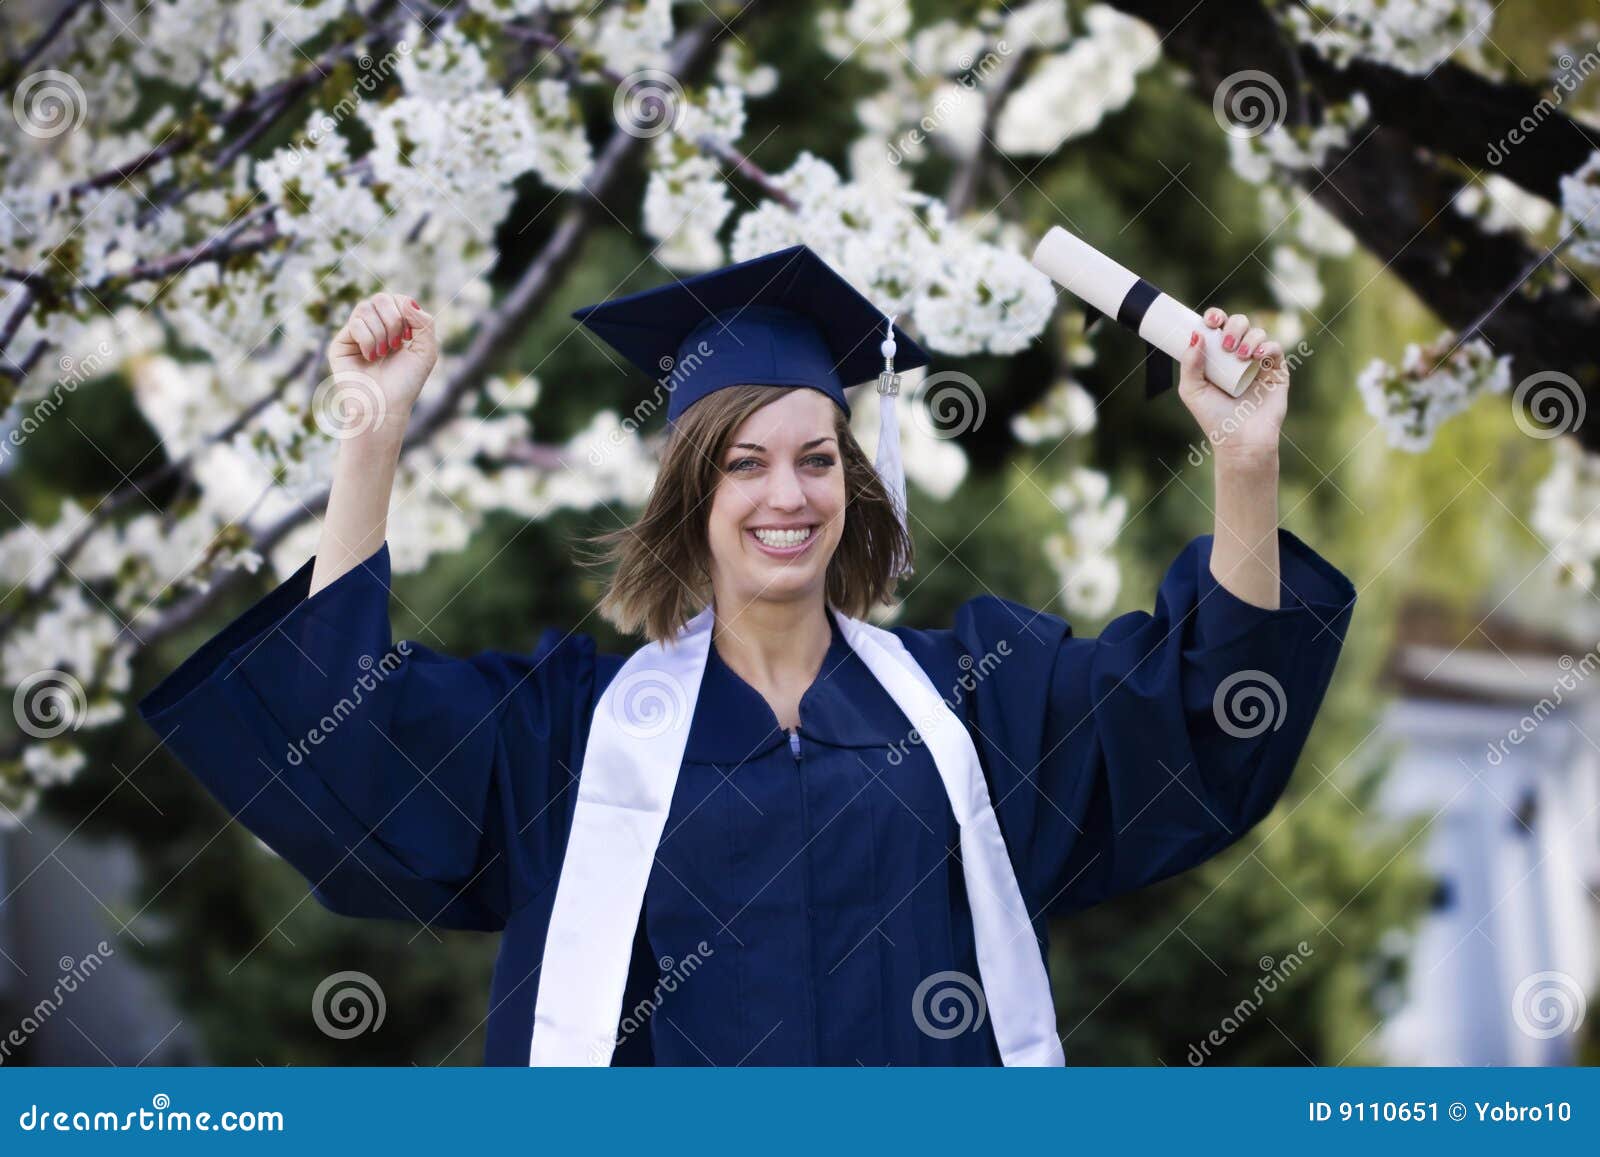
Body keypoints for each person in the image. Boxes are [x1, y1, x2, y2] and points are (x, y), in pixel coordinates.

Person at [138, 244, 1356, 1066]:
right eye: (743, 461)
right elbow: (345, 741)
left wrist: (1243, 462)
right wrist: (371, 437)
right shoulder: (571, 733)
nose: (788, 493)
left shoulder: (970, 704)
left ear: (852, 478)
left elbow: (1198, 714)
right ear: (687, 490)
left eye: (817, 456)